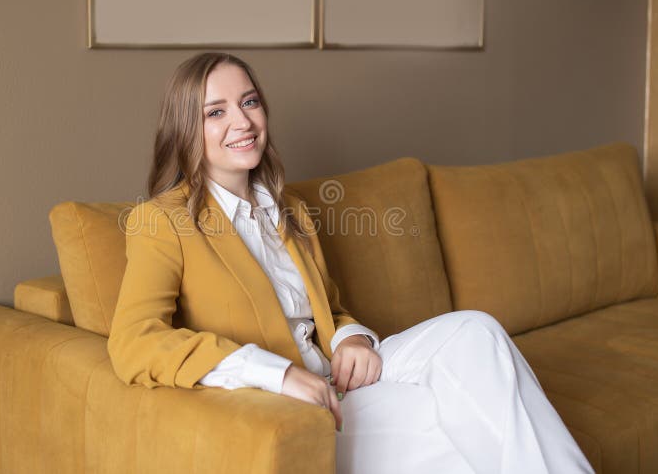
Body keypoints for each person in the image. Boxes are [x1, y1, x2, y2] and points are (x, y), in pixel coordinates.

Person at [108, 52, 593, 473]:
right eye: (216, 112)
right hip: (290, 411)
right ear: (185, 128)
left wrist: (353, 338)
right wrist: (273, 372)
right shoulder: (162, 222)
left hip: (342, 381)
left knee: (477, 333)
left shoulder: (289, 209)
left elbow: (330, 310)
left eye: (249, 102)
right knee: (458, 423)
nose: (242, 122)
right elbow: (134, 342)